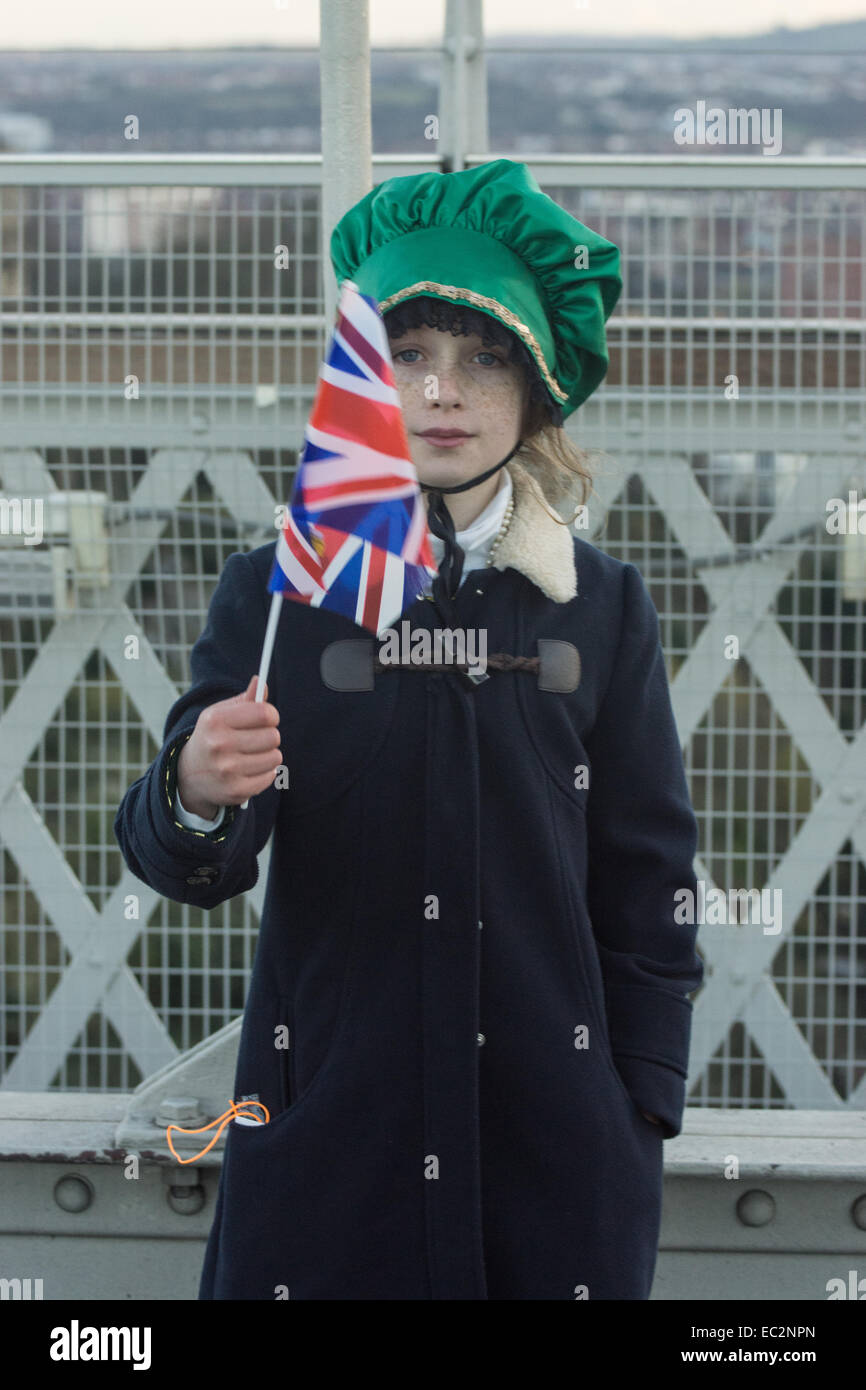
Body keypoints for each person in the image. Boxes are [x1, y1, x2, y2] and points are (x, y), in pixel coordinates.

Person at [114, 158, 704, 1300]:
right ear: (358, 378)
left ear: (536, 391)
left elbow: (650, 878)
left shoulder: (601, 605)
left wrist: (638, 1100)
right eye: (409, 353)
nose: (440, 391)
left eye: (482, 357)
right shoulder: (276, 592)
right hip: (333, 1145)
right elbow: (192, 860)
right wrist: (194, 785)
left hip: (554, 1156)